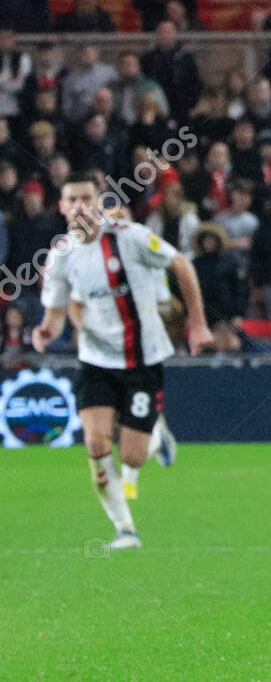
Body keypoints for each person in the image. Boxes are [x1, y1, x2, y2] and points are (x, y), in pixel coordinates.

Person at [32, 172, 211, 551]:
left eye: (86, 198)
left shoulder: (129, 236)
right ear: (61, 207)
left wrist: (197, 324)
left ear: (99, 202)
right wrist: (45, 332)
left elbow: (182, 264)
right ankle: (125, 529)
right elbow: (55, 315)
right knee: (96, 446)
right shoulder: (61, 254)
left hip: (142, 360)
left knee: (132, 455)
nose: (80, 206)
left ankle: (157, 434)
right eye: (72, 200)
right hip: (96, 362)